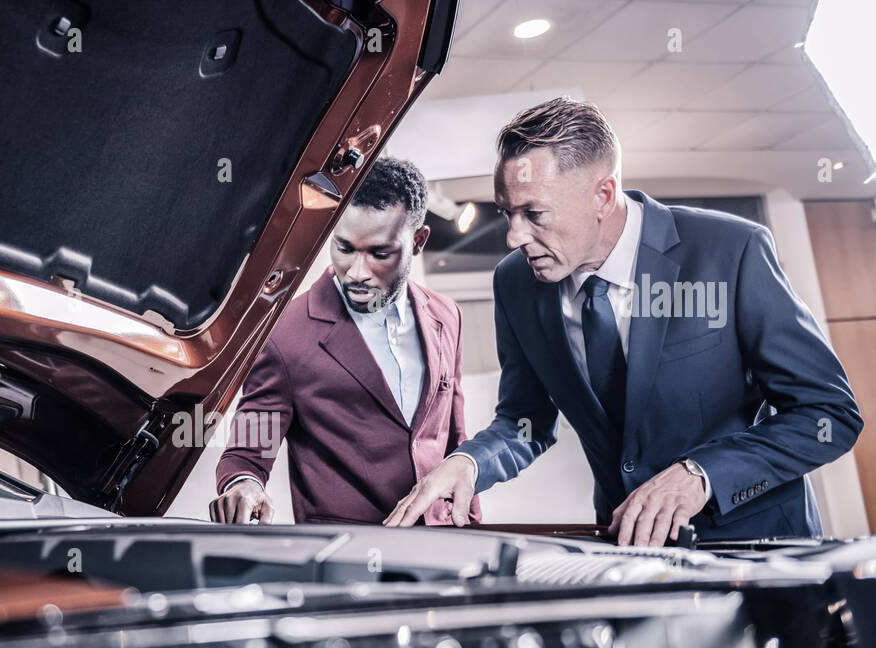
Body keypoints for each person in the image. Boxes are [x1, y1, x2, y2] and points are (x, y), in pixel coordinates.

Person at [385, 97, 861, 544]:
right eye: (508, 213)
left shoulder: (730, 252)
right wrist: (470, 462)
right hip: (627, 548)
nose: (513, 237)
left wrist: (703, 473)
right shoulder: (516, 283)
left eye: (535, 214)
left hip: (756, 546)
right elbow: (525, 420)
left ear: (603, 195)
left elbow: (828, 414)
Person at [211, 156, 480, 525]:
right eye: (344, 248)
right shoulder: (283, 333)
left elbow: (456, 441)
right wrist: (244, 484)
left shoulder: (448, 315)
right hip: (346, 556)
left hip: (447, 545)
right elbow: (247, 452)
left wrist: (472, 525)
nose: (356, 273)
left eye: (379, 253)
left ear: (418, 242)